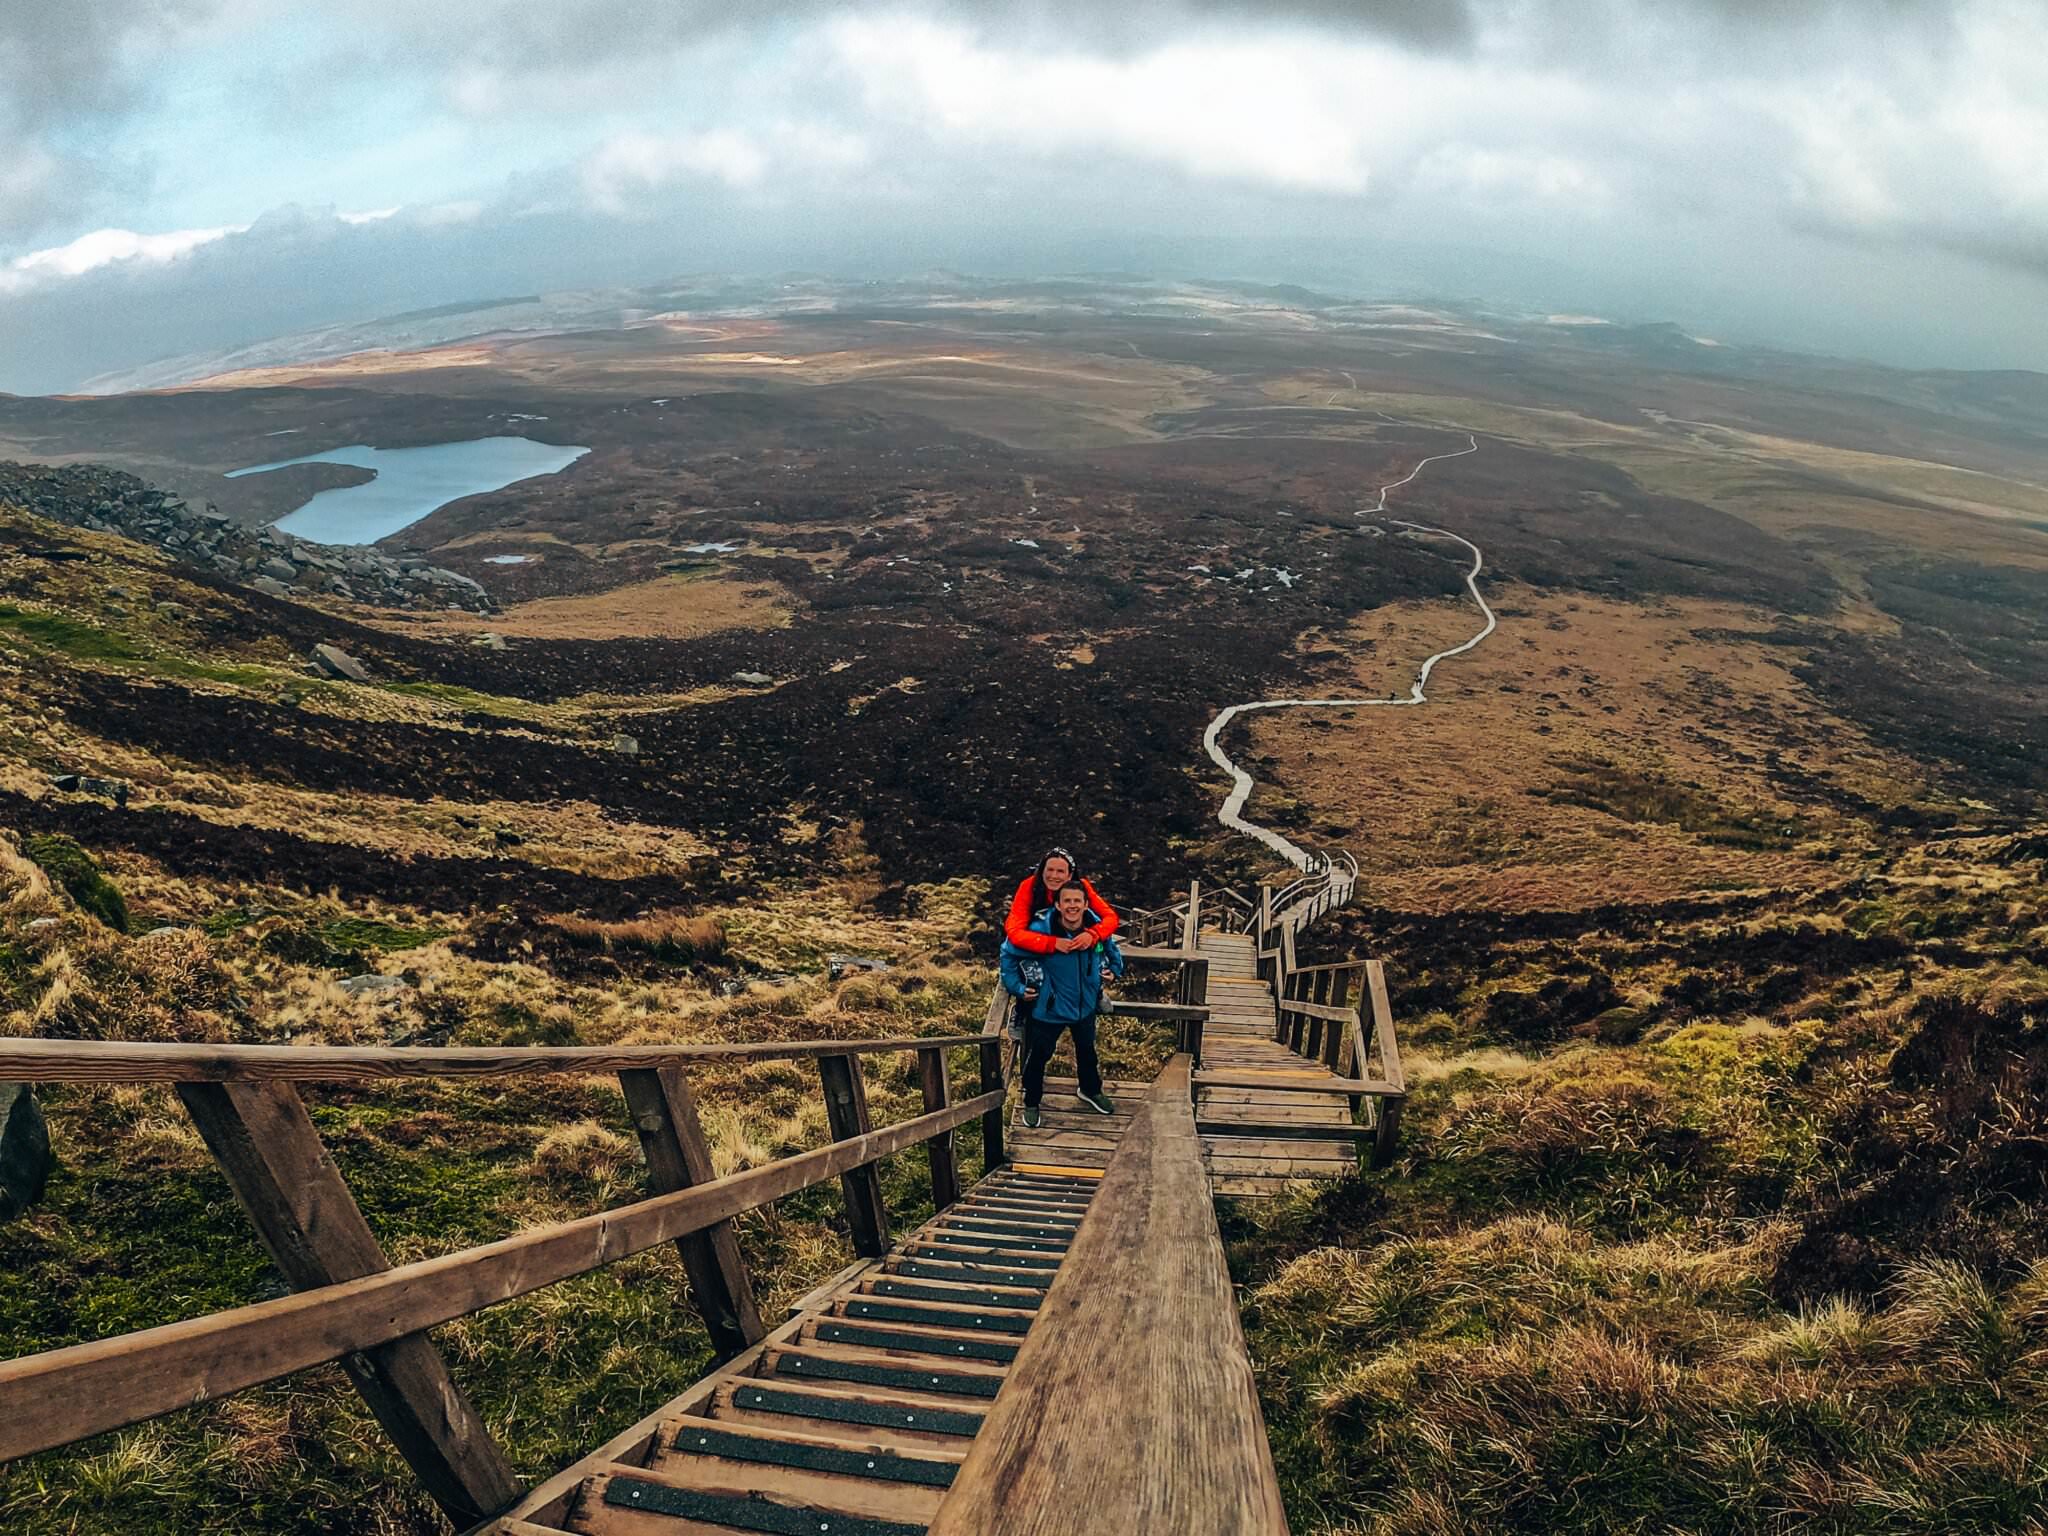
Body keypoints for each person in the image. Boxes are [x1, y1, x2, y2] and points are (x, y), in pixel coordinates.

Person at [1000, 881, 1125, 1127]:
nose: (1072, 906)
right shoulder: (1040, 931)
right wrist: (1017, 988)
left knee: (1088, 1053)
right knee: (1039, 1057)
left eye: (1077, 901)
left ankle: (1090, 1090)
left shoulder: (1094, 930)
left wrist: (1114, 969)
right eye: (1066, 901)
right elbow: (1008, 954)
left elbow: (1109, 947)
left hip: (1085, 1005)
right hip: (1050, 1009)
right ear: (1057, 904)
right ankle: (1032, 1102)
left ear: (1086, 904)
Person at [1001, 848, 1119, 1037]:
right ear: (1042, 870)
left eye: (1060, 871)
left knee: (1094, 954)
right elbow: (1014, 932)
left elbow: (1110, 918)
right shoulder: (1029, 887)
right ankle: (1022, 1010)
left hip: (1075, 941)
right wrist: (1050, 944)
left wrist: (1093, 935)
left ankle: (1095, 992)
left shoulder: (1081, 887)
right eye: (1050, 870)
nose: (1054, 876)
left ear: (1070, 874)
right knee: (1033, 972)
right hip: (1041, 944)